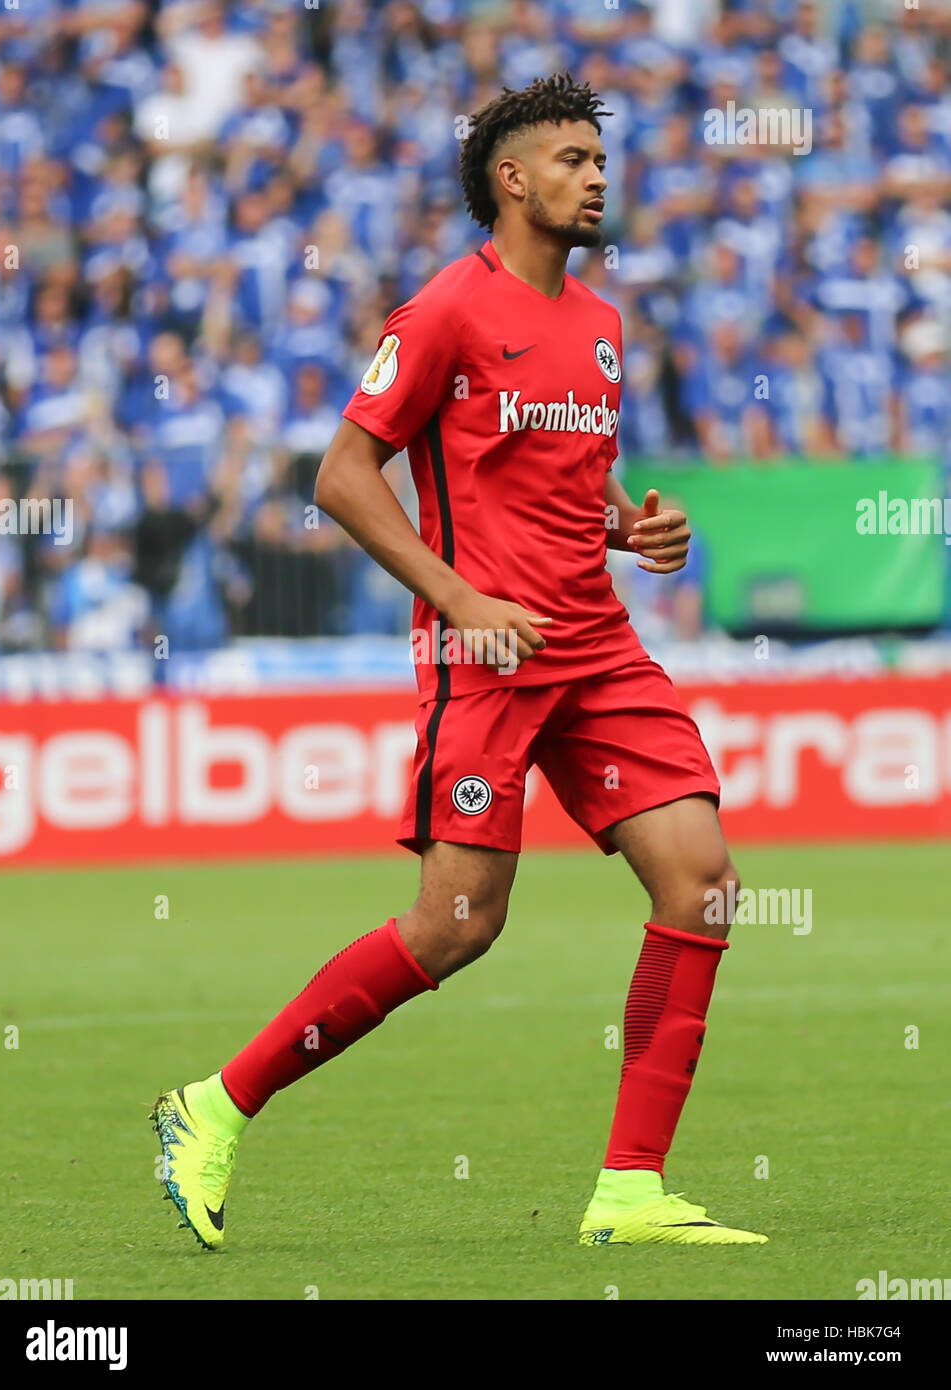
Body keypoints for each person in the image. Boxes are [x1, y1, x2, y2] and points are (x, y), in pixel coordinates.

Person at [150, 71, 767, 1251]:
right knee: (458, 925)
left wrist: (632, 532)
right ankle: (214, 1104)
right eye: (573, 159)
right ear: (512, 177)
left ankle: (630, 1190)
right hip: (484, 657)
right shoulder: (443, 310)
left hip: (596, 645)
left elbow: (560, 491)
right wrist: (459, 597)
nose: (596, 176)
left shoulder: (600, 325)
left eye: (600, 158)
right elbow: (340, 477)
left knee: (702, 877)